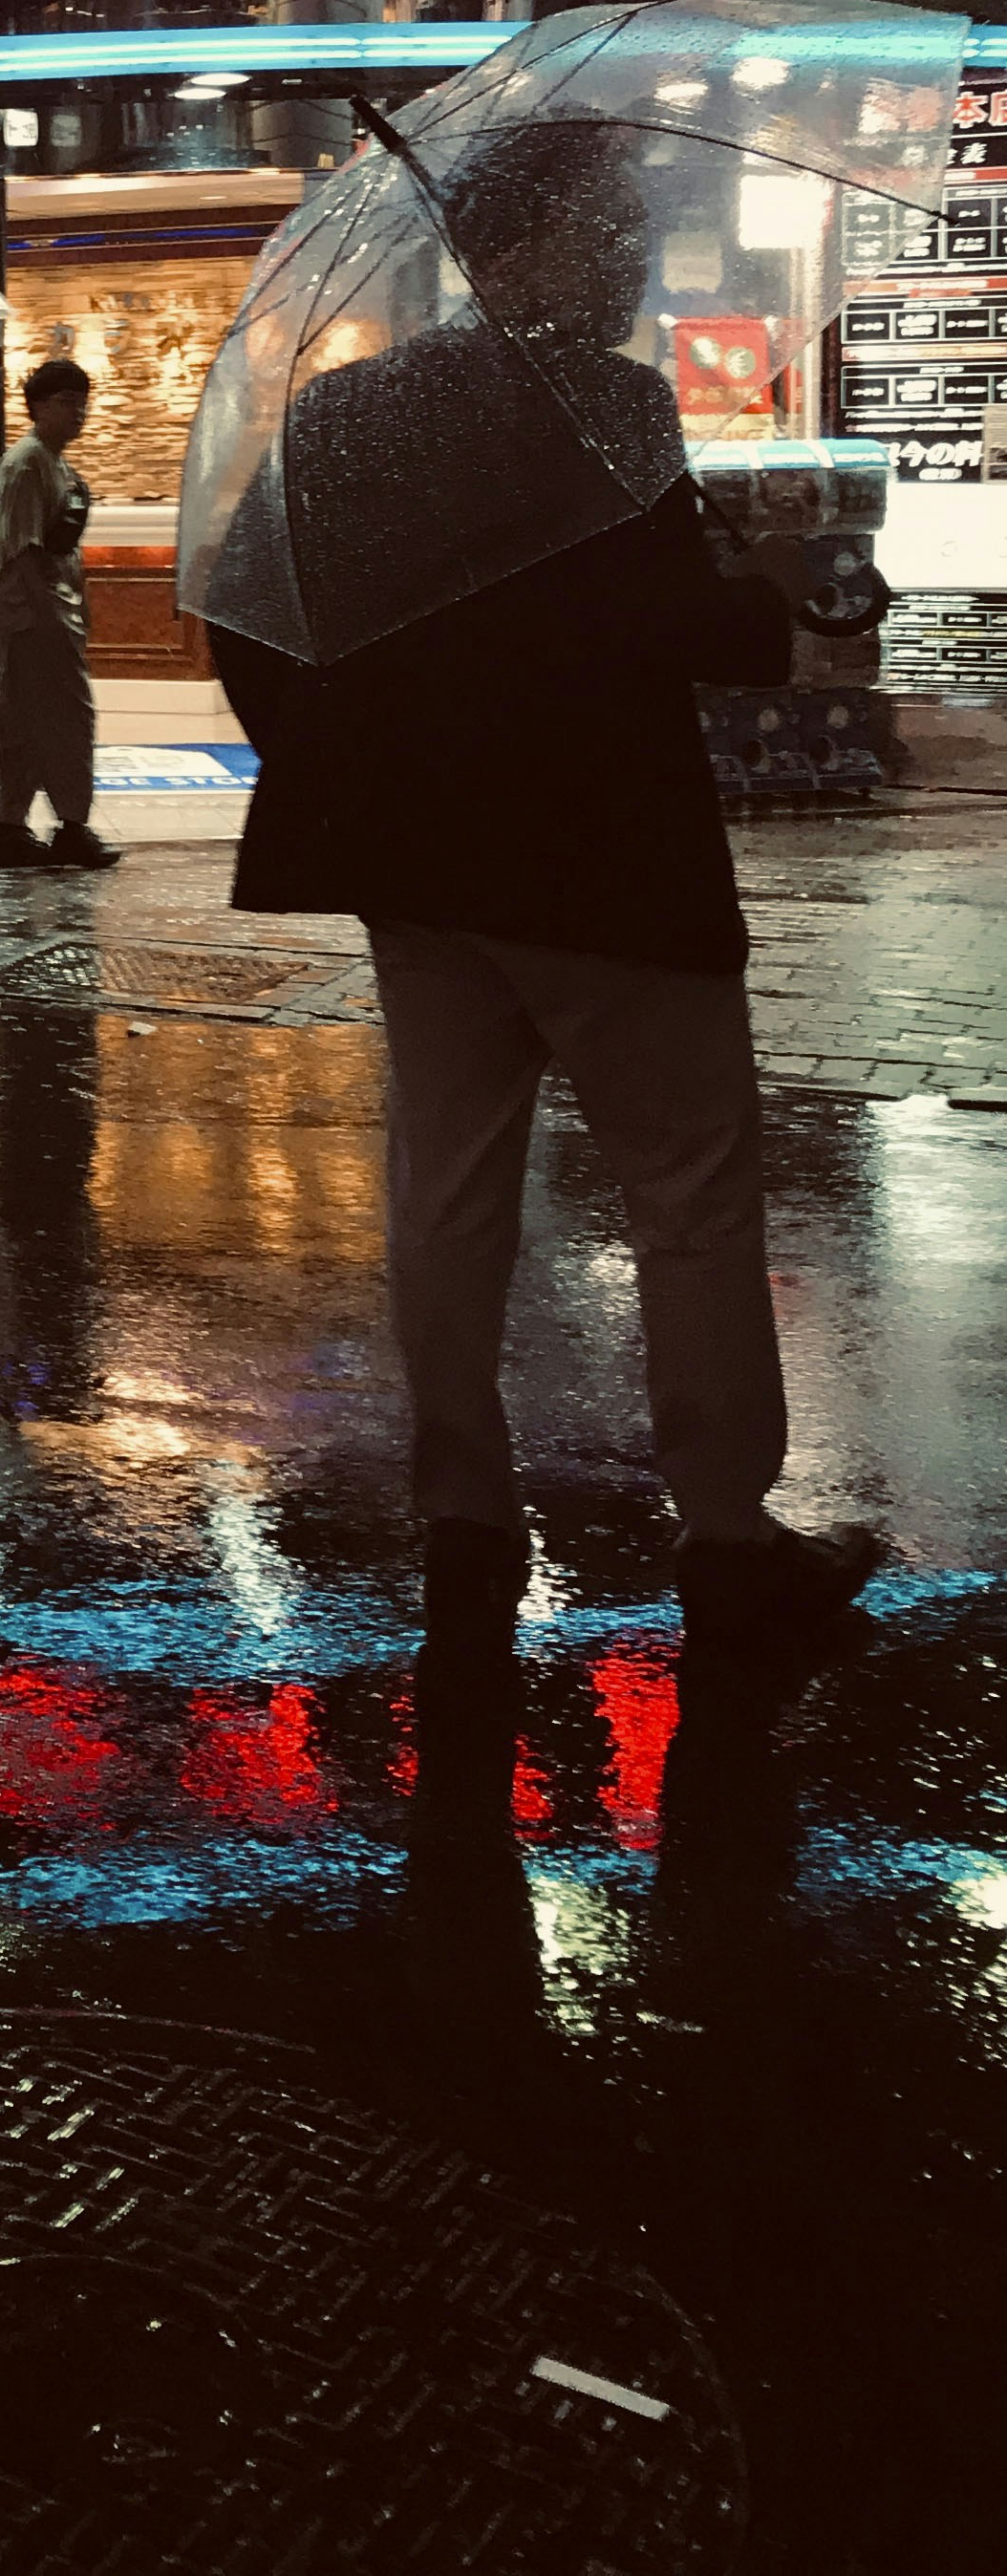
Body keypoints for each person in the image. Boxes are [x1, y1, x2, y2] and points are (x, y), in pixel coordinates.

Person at [204, 126, 883, 1652]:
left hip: (427, 874)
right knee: (690, 1193)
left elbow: (247, 621)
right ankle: (721, 1530)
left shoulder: (350, 414)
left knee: (447, 1188)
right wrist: (770, 607)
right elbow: (647, 631)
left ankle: (461, 1512)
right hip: (603, 863)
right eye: (607, 227)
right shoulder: (610, 407)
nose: (633, 255)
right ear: (517, 249)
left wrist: (345, 778)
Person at [0, 357, 119, 875]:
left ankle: (15, 828)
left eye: (82, 402)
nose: (77, 413)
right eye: (66, 402)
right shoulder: (26, 463)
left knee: (27, 720)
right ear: (37, 406)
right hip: (32, 618)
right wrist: (52, 620)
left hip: (45, 616)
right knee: (62, 719)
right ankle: (67, 825)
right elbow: (24, 554)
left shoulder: (59, 467)